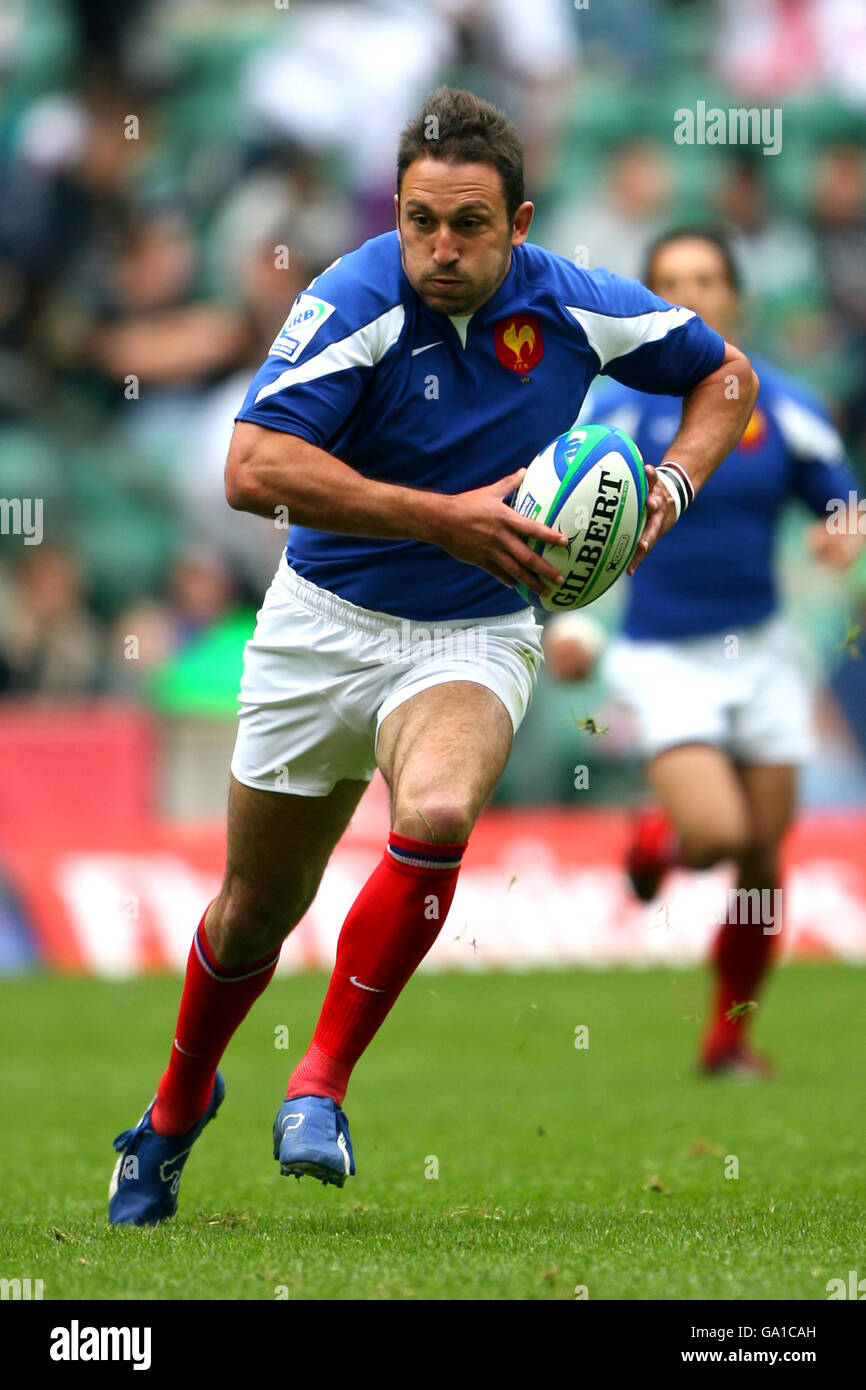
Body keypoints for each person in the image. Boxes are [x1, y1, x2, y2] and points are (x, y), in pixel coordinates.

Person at [108, 91, 757, 1225]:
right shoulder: (352, 297)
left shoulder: (574, 304)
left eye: (466, 225)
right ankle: (170, 1112)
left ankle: (318, 1085)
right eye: (419, 221)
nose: (438, 250)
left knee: (442, 813)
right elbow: (251, 468)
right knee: (254, 909)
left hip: (472, 627)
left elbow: (725, 377)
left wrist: (668, 486)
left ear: (519, 221)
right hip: (319, 624)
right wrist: (439, 515)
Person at [544, 226, 862, 1077]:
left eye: (709, 278)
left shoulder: (785, 406)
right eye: (672, 281)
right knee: (716, 835)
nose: (693, 293)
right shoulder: (617, 411)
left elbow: (843, 498)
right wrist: (571, 627)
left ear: (738, 297)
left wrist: (845, 531)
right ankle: (657, 836)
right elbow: (564, 524)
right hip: (661, 655)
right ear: (647, 303)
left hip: (761, 651)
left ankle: (728, 1037)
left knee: (763, 861)